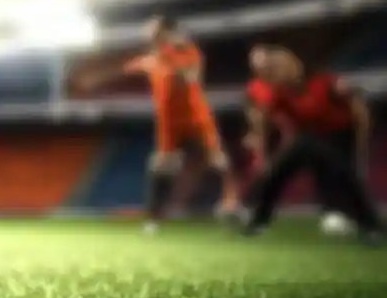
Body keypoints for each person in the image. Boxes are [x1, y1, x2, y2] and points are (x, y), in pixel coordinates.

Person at [83, 15, 239, 233]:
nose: (149, 36)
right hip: (168, 122)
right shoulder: (150, 60)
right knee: (159, 166)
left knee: (216, 158)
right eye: (149, 32)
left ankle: (232, 202)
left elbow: (193, 78)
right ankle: (154, 219)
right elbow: (125, 70)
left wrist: (174, 59)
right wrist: (96, 79)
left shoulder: (187, 52)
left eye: (154, 31)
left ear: (167, 32)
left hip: (196, 115)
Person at [241, 48, 380, 242]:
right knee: (275, 173)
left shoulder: (324, 82)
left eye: (275, 70)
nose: (271, 76)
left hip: (340, 136)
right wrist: (262, 156)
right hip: (309, 137)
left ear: (292, 67)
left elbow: (359, 112)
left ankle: (371, 226)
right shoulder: (281, 93)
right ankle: (258, 222)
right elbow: (262, 120)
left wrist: (361, 148)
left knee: (345, 176)